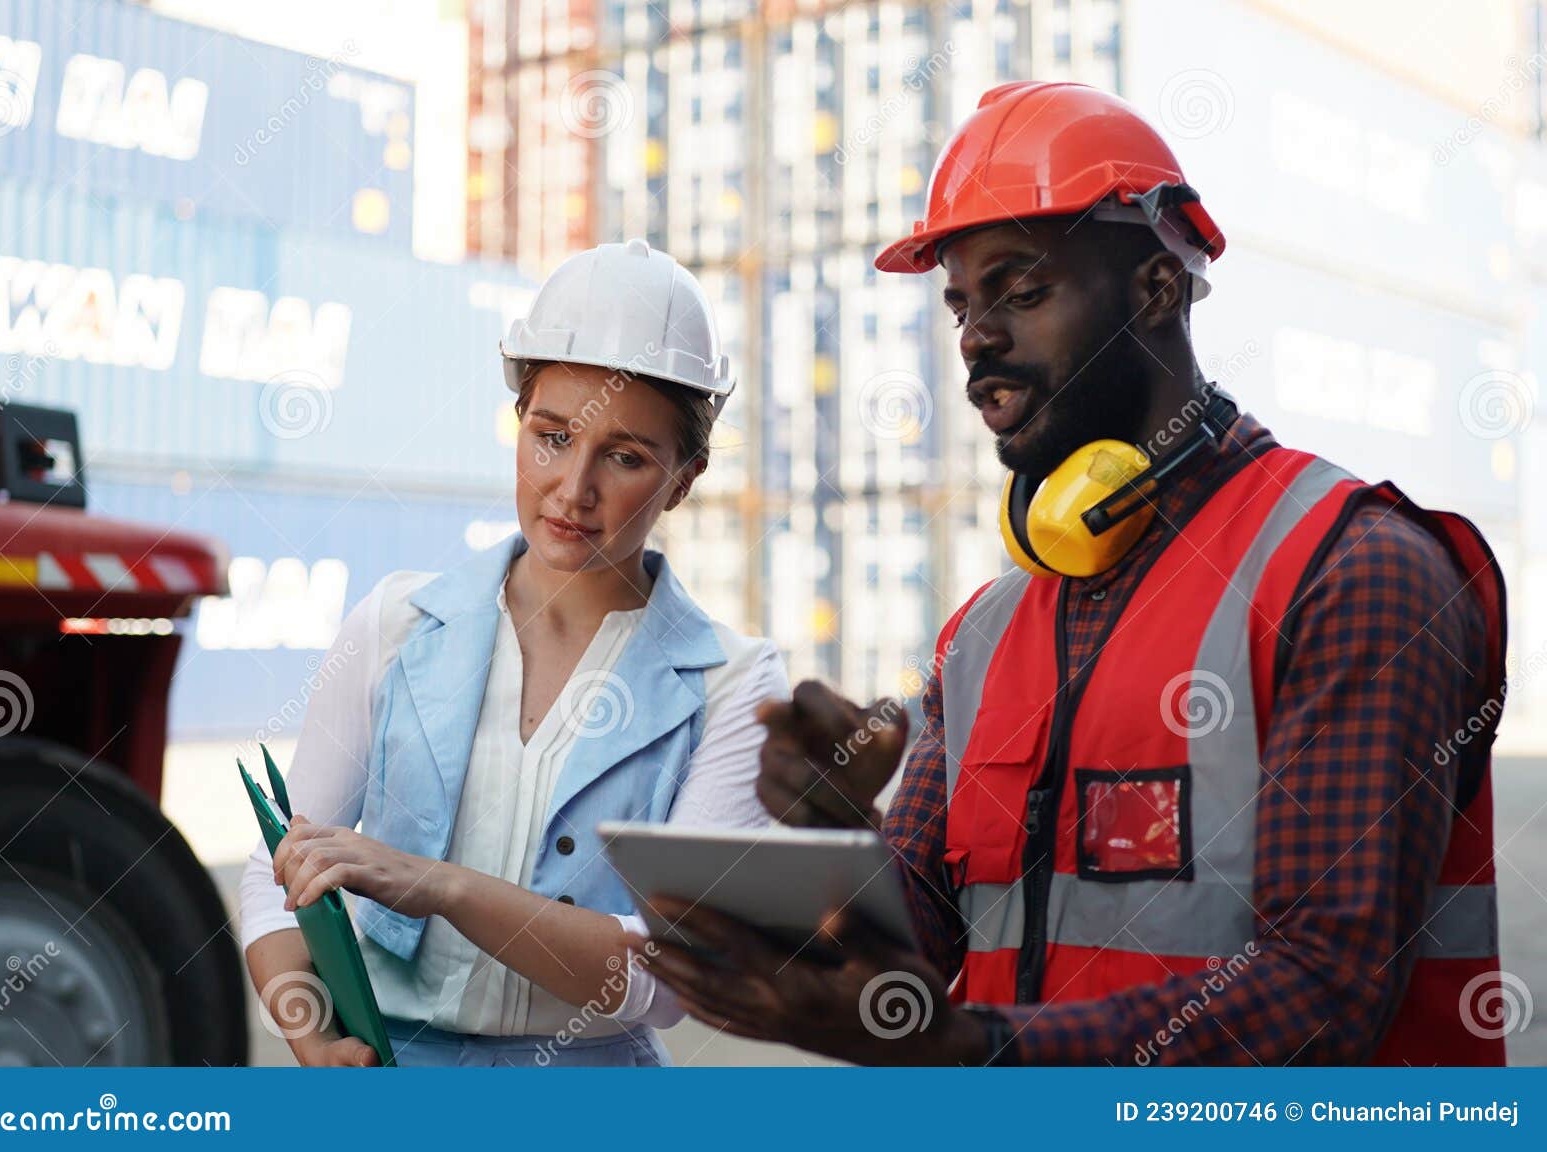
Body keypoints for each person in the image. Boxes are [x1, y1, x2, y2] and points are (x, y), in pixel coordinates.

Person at [638, 81, 1508, 1066]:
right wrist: (831, 832)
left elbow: (1323, 991)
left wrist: (971, 1050)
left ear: (1156, 289)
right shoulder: (982, 636)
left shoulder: (1352, 571)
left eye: (1020, 291)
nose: (976, 336)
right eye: (961, 305)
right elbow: (914, 950)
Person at [239, 238, 788, 1067]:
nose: (573, 489)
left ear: (684, 477)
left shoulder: (735, 685)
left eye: (625, 457)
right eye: (552, 436)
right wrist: (312, 1035)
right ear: (519, 420)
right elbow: (276, 871)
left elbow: (676, 974)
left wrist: (444, 886)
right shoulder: (395, 623)